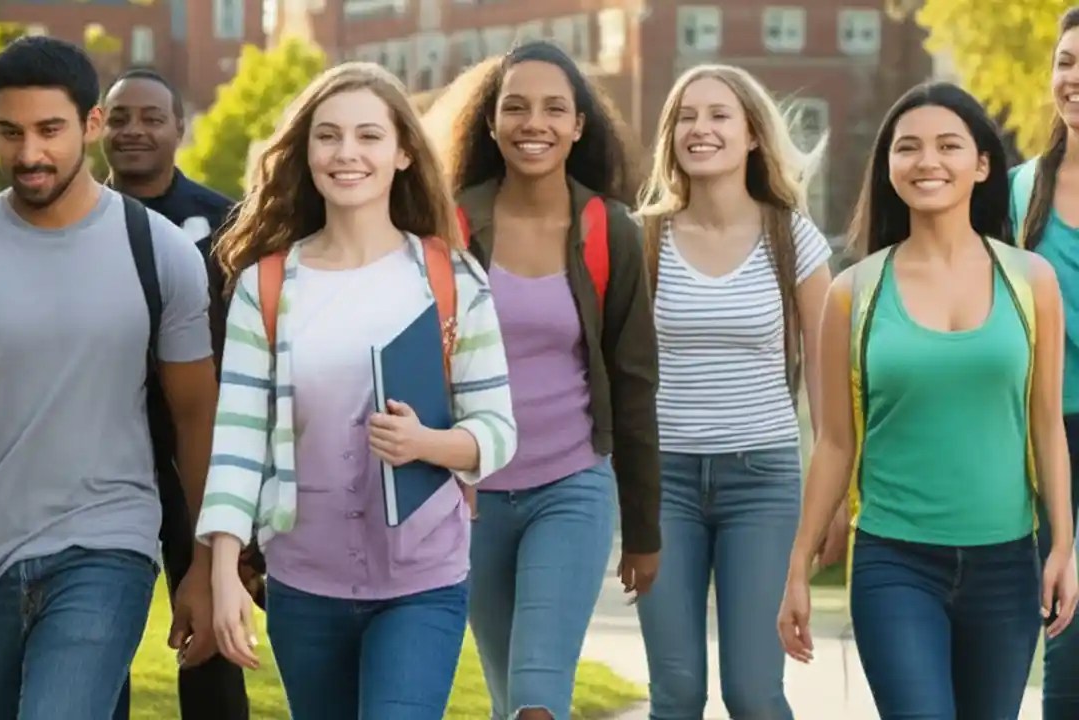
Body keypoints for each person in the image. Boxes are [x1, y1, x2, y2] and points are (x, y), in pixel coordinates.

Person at [0, 35, 218, 718]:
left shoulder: (161, 255)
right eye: (10, 132)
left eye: (49, 131)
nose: (29, 154)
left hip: (107, 545)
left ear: (91, 125)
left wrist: (207, 567)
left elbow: (197, 420)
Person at [197, 61, 517, 720]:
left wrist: (428, 443)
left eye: (369, 136)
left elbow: (498, 432)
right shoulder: (268, 285)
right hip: (302, 584)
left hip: (422, 581)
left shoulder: (450, 278)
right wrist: (223, 569)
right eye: (329, 136)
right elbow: (236, 440)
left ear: (403, 152)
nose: (348, 153)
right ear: (305, 152)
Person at [778, 80, 1079, 719]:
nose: (927, 162)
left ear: (982, 165)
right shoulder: (852, 293)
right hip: (895, 564)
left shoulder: (1032, 283)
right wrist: (798, 566)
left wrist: (1062, 548)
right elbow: (835, 442)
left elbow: (1046, 426)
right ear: (887, 167)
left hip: (1006, 566)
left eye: (948, 145)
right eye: (907, 148)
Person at [431, 40, 659, 720]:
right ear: (492, 124)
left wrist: (643, 528)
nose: (536, 123)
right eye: (517, 108)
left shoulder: (608, 229)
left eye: (555, 108)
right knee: (508, 700)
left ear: (579, 125)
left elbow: (634, 381)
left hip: (572, 487)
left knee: (538, 699)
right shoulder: (452, 225)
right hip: (470, 502)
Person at [631, 63, 833, 719]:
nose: (700, 128)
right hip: (666, 487)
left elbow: (828, 399)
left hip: (763, 481)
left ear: (752, 135)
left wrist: (829, 507)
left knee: (752, 691)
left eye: (719, 115)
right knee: (678, 692)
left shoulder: (793, 237)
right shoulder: (644, 238)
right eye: (686, 116)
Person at [101, 66, 252, 720]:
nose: (133, 130)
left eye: (150, 117)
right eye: (119, 117)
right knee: (95, 635)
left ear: (179, 129)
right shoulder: (71, 221)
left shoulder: (227, 223)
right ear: (96, 127)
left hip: (202, 458)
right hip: (103, 460)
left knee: (211, 641)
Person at [1010, 8, 1079, 718]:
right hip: (1043, 434)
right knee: (1063, 618)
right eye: (1065, 61)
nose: (1074, 78)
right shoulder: (1016, 189)